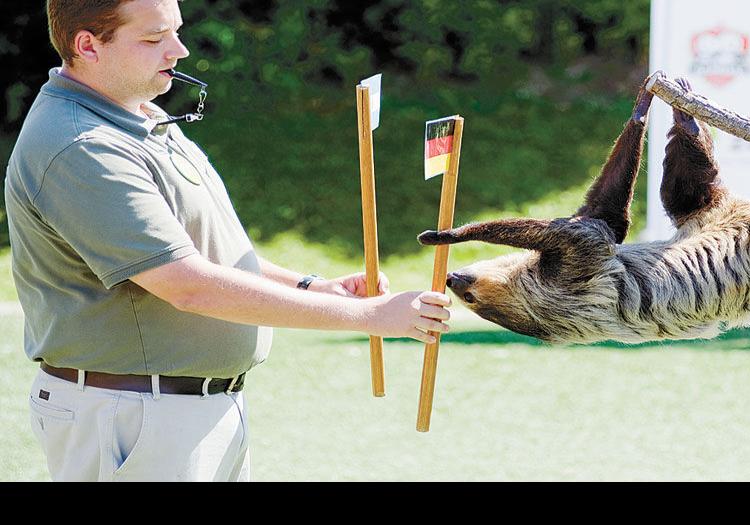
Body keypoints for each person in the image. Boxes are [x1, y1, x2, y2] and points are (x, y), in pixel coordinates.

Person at [4, 0, 451, 482]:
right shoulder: (83, 145)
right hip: (133, 412)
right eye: (154, 38)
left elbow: (201, 253)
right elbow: (186, 284)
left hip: (178, 408)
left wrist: (312, 287)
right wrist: (369, 317)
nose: (179, 50)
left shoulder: (135, 114)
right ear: (87, 45)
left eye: (176, 32)